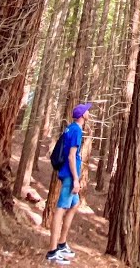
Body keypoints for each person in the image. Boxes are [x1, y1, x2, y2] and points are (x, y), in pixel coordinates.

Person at [46, 102, 92, 264]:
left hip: (70, 175)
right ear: (82, 116)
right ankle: (53, 251)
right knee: (61, 209)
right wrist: (75, 179)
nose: (89, 113)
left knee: (74, 205)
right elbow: (72, 156)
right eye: (87, 111)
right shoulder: (76, 130)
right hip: (69, 176)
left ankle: (62, 243)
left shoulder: (72, 128)